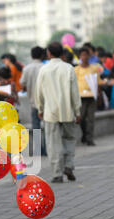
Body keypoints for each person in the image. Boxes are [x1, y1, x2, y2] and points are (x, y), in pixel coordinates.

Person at [35, 42, 81, 183]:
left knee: (52, 143)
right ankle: (68, 165)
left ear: (48, 53)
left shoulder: (44, 70)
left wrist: (40, 108)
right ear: (62, 53)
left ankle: (57, 173)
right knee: (69, 139)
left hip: (50, 112)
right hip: (68, 110)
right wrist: (77, 111)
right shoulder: (68, 68)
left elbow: (39, 92)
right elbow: (75, 92)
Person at [20, 46, 46, 155]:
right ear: (42, 55)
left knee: (36, 128)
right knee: (47, 127)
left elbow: (22, 85)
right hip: (45, 102)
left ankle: (39, 150)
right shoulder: (44, 67)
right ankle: (48, 149)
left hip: (33, 102)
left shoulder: (26, 69)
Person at [75, 47, 102, 146]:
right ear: (80, 57)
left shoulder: (94, 68)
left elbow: (98, 82)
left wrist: (99, 95)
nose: (84, 57)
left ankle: (89, 138)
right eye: (82, 55)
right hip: (81, 96)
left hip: (92, 95)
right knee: (81, 117)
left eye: (86, 55)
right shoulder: (76, 70)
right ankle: (84, 134)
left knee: (91, 118)